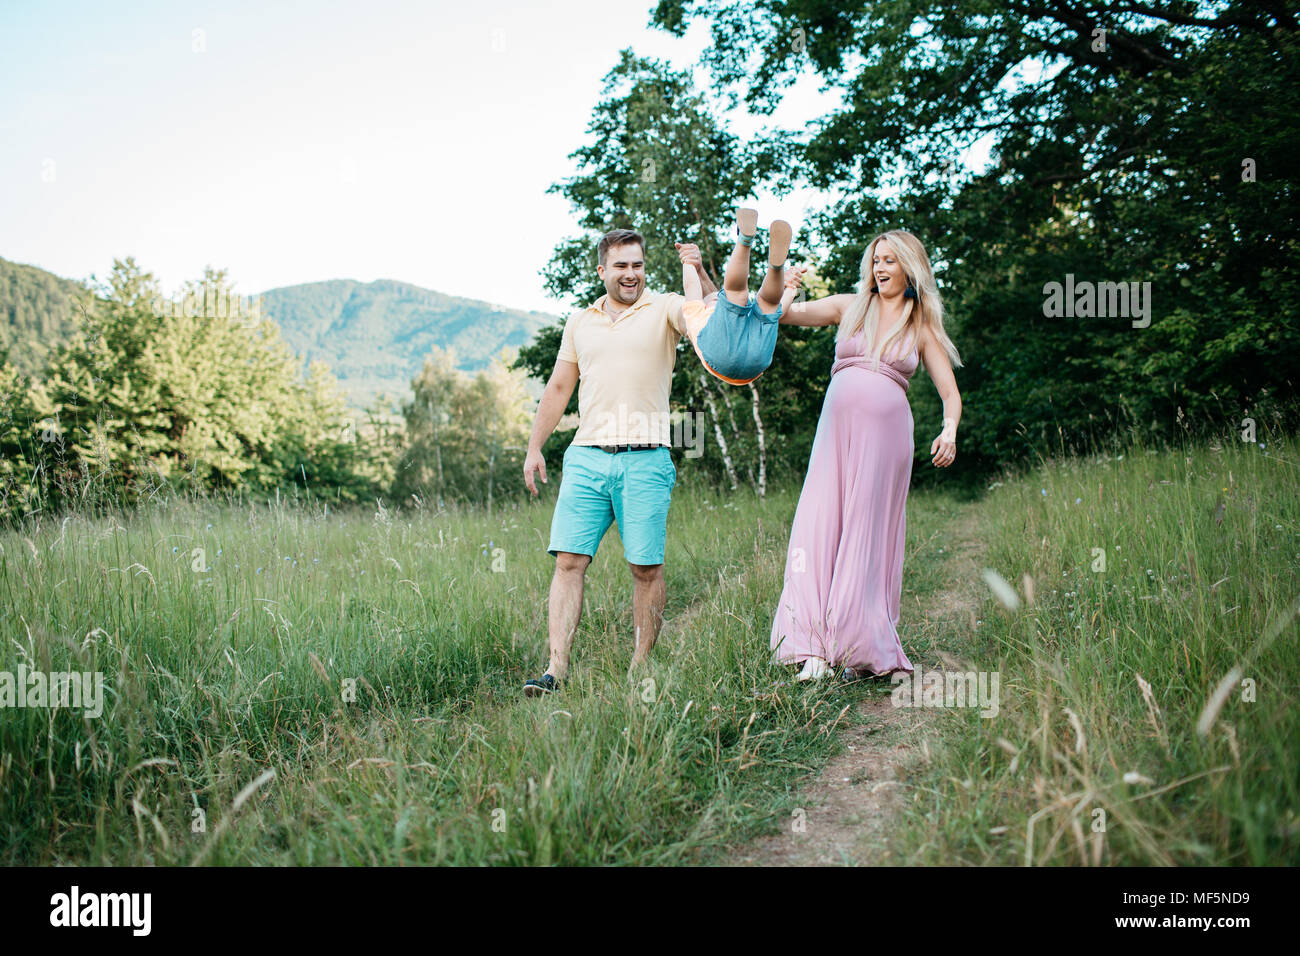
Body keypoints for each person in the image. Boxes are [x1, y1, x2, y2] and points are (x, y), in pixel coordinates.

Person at [520, 228, 716, 696]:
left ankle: (640, 668)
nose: (631, 274)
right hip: (586, 457)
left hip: (645, 459)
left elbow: (709, 316)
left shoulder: (666, 307)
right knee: (568, 562)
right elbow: (559, 388)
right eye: (622, 266)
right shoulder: (579, 321)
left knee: (645, 569)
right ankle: (555, 671)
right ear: (602, 269)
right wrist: (533, 447)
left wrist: (700, 270)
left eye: (638, 265)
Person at [769, 229, 963, 681]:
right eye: (876, 260)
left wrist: (949, 430)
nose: (880, 268)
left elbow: (950, 394)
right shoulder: (849, 306)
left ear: (909, 267)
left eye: (891, 260)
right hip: (835, 434)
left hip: (887, 440)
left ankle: (854, 646)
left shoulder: (919, 324)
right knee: (818, 525)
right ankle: (810, 647)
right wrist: (788, 286)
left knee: (864, 534)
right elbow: (782, 316)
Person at [680, 207, 796, 385]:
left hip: (755, 360)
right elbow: (691, 286)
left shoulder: (701, 319)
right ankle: (750, 246)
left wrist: (790, 290)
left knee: (767, 303)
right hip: (722, 354)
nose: (717, 299)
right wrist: (687, 262)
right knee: (736, 293)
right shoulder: (698, 317)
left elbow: (779, 308)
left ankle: (771, 264)